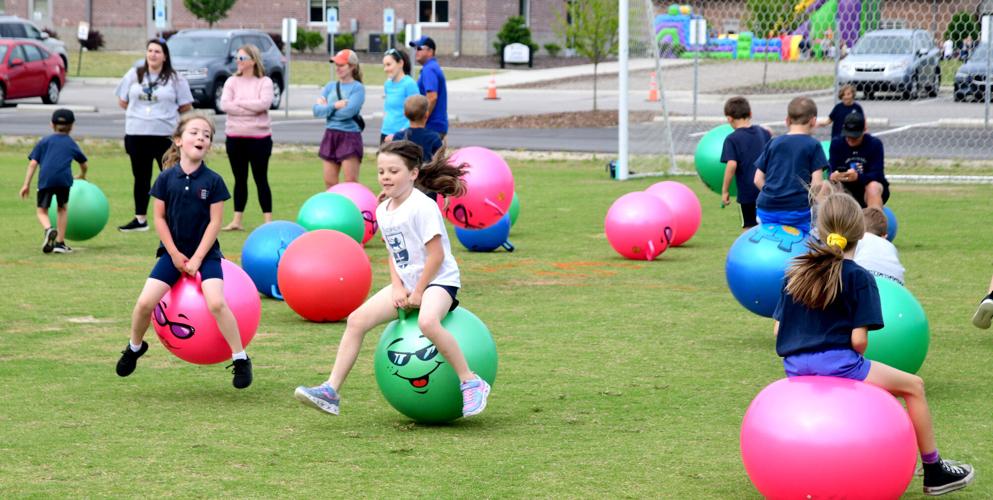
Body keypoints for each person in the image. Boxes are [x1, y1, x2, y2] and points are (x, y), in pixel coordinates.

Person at [774, 191, 974, 496]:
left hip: (794, 368)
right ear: (860, 234)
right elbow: (858, 342)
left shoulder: (795, 271)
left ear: (821, 229)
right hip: (838, 364)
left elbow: (778, 331)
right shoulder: (859, 277)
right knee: (914, 386)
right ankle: (934, 470)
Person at [294, 140, 491, 417]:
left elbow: (435, 256)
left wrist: (419, 291)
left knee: (427, 321)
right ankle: (330, 390)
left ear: (412, 174)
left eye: (394, 171)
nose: (386, 177)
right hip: (408, 282)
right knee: (356, 321)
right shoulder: (383, 210)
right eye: (381, 171)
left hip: (438, 280)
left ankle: (470, 381)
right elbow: (393, 253)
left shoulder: (422, 207)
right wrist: (398, 287)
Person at [115, 112, 253, 389]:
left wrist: (198, 258)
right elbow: (159, 219)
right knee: (144, 304)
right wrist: (176, 256)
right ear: (178, 140)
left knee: (216, 303)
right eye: (194, 132)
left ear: (209, 145)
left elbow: (215, 223)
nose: (201, 137)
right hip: (171, 255)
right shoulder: (166, 179)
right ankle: (134, 346)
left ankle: (240, 358)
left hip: (207, 255)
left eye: (206, 134)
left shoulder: (214, 181)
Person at [115, 38, 193, 232]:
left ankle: (176, 217)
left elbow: (185, 106)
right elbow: (122, 101)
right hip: (137, 133)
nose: (153, 55)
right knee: (141, 177)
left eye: (157, 51)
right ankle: (140, 218)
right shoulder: (135, 74)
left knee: (170, 176)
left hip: (164, 135)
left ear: (165, 56)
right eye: (150, 51)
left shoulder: (175, 79)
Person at [220, 44, 274, 231]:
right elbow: (225, 105)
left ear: (253, 60)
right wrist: (251, 106)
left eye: (242, 58)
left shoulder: (264, 82)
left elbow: (264, 104)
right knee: (239, 179)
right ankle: (236, 220)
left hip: (260, 139)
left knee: (261, 179)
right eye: (237, 58)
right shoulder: (231, 82)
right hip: (235, 138)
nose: (238, 61)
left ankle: (268, 221)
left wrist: (240, 104)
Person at [18, 108, 88, 254]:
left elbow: (33, 163)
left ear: (51, 124)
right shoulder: (71, 143)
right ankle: (60, 244)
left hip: (46, 181)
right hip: (63, 181)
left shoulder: (44, 141)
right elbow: (84, 163)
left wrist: (26, 184)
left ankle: (49, 229)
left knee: (42, 211)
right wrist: (82, 174)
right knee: (62, 209)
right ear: (72, 126)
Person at [753, 97, 827, 234]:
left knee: (770, 241)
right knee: (803, 246)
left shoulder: (773, 143)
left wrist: (774, 194)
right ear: (813, 121)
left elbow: (757, 179)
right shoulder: (813, 145)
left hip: (766, 208)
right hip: (797, 210)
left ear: (787, 120)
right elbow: (817, 185)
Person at [314, 49, 366, 189]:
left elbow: (348, 113)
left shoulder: (358, 88)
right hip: (330, 134)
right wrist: (335, 105)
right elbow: (317, 111)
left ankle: (353, 209)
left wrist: (327, 109)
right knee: (330, 182)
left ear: (352, 66)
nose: (338, 68)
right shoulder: (330, 86)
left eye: (342, 65)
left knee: (350, 183)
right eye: (336, 65)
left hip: (349, 136)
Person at [720, 96, 772, 230]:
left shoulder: (732, 139)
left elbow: (732, 165)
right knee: (768, 226)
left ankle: (748, 251)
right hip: (767, 189)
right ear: (750, 114)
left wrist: (725, 190)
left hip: (747, 193)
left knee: (749, 229)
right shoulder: (764, 133)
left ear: (729, 119)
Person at [828, 112, 889, 209]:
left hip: (867, 188)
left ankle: (874, 220)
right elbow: (831, 168)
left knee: (873, 187)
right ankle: (829, 220)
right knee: (826, 186)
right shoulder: (837, 144)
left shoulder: (875, 144)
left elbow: (878, 175)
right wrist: (833, 176)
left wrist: (857, 177)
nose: (851, 140)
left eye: (855, 137)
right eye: (848, 136)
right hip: (844, 188)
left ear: (864, 130)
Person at [409, 36, 448, 138]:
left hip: (431, 127)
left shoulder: (429, 69)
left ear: (430, 52)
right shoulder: (431, 67)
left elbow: (432, 97)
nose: (416, 51)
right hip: (436, 127)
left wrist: (422, 120)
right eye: (415, 49)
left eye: (419, 48)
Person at [853, 207, 905, 285]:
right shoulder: (891, 247)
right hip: (895, 287)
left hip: (865, 283)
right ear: (885, 236)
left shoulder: (857, 241)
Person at [386, 95, 443, 162]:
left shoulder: (398, 136)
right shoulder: (434, 137)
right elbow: (440, 161)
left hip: (406, 171)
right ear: (426, 114)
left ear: (405, 114)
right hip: (427, 171)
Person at [381, 47, 420, 144]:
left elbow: (416, 114)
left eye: (389, 65)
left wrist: (399, 133)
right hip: (385, 133)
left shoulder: (409, 84)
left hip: (403, 136)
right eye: (384, 65)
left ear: (400, 63)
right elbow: (388, 110)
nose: (385, 69)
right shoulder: (387, 84)